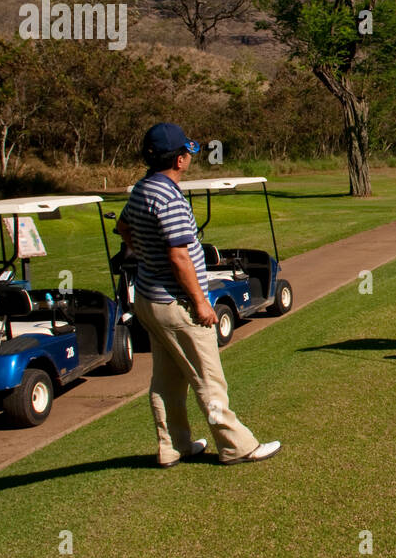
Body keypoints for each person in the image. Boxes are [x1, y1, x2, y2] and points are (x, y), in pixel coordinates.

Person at [116, 123, 281, 467]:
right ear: (179, 160)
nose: (190, 156)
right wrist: (201, 302)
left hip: (148, 299)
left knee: (167, 380)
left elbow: (124, 228)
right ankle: (237, 446)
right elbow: (179, 256)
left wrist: (148, 256)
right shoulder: (170, 197)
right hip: (177, 304)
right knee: (209, 379)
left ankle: (172, 446)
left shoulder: (142, 189)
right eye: (187, 152)